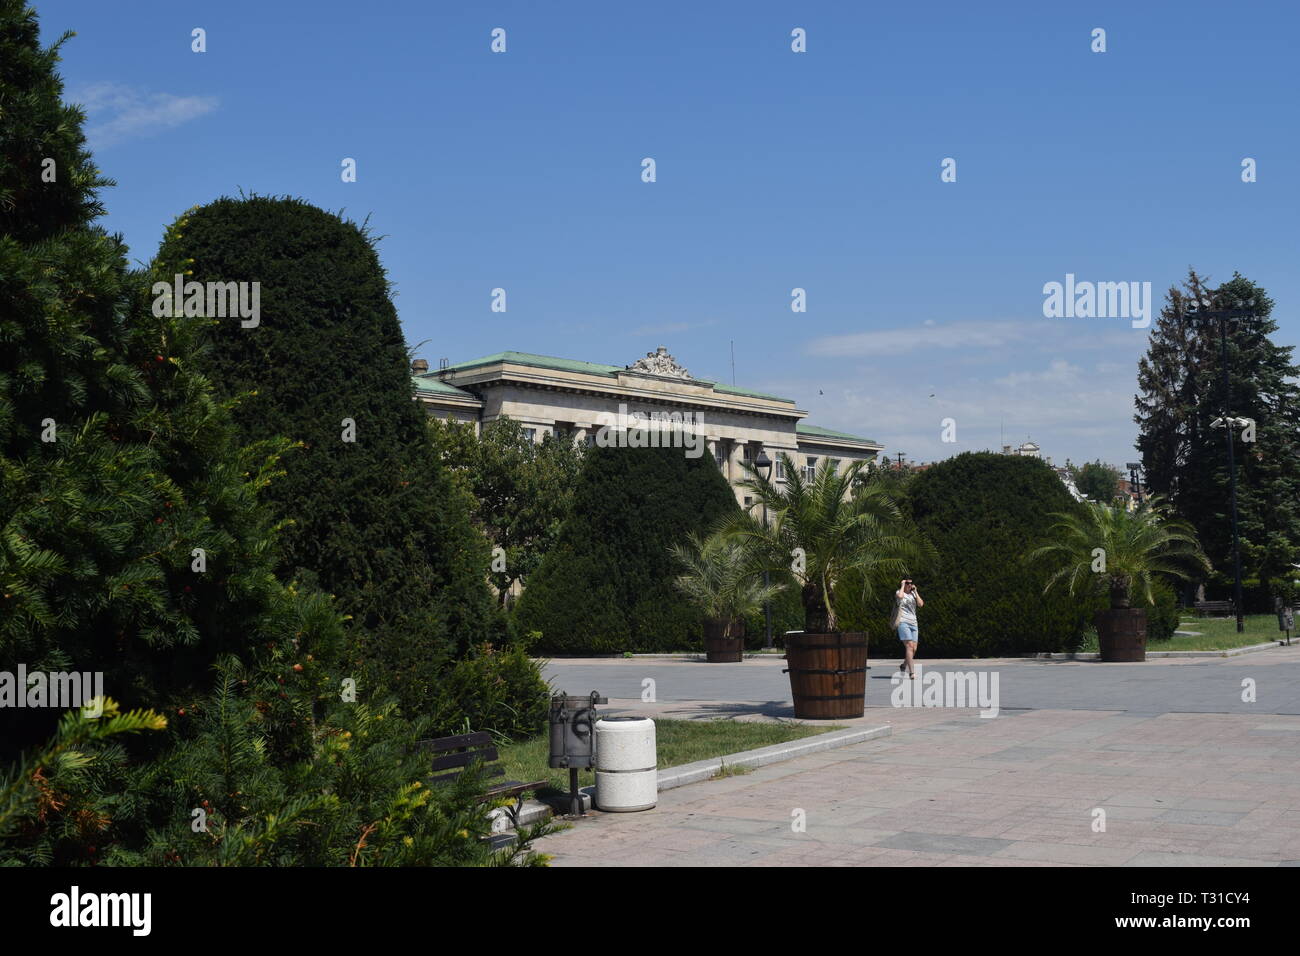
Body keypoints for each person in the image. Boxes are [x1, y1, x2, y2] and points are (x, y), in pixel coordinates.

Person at [895, 578, 923, 678]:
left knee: (914, 649)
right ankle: (912, 672)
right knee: (909, 646)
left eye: (911, 583)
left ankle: (904, 665)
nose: (909, 585)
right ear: (904, 583)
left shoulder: (913, 594)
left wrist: (916, 591)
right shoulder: (899, 591)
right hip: (903, 622)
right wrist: (902, 585)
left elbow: (920, 604)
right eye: (907, 583)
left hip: (914, 623)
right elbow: (900, 596)